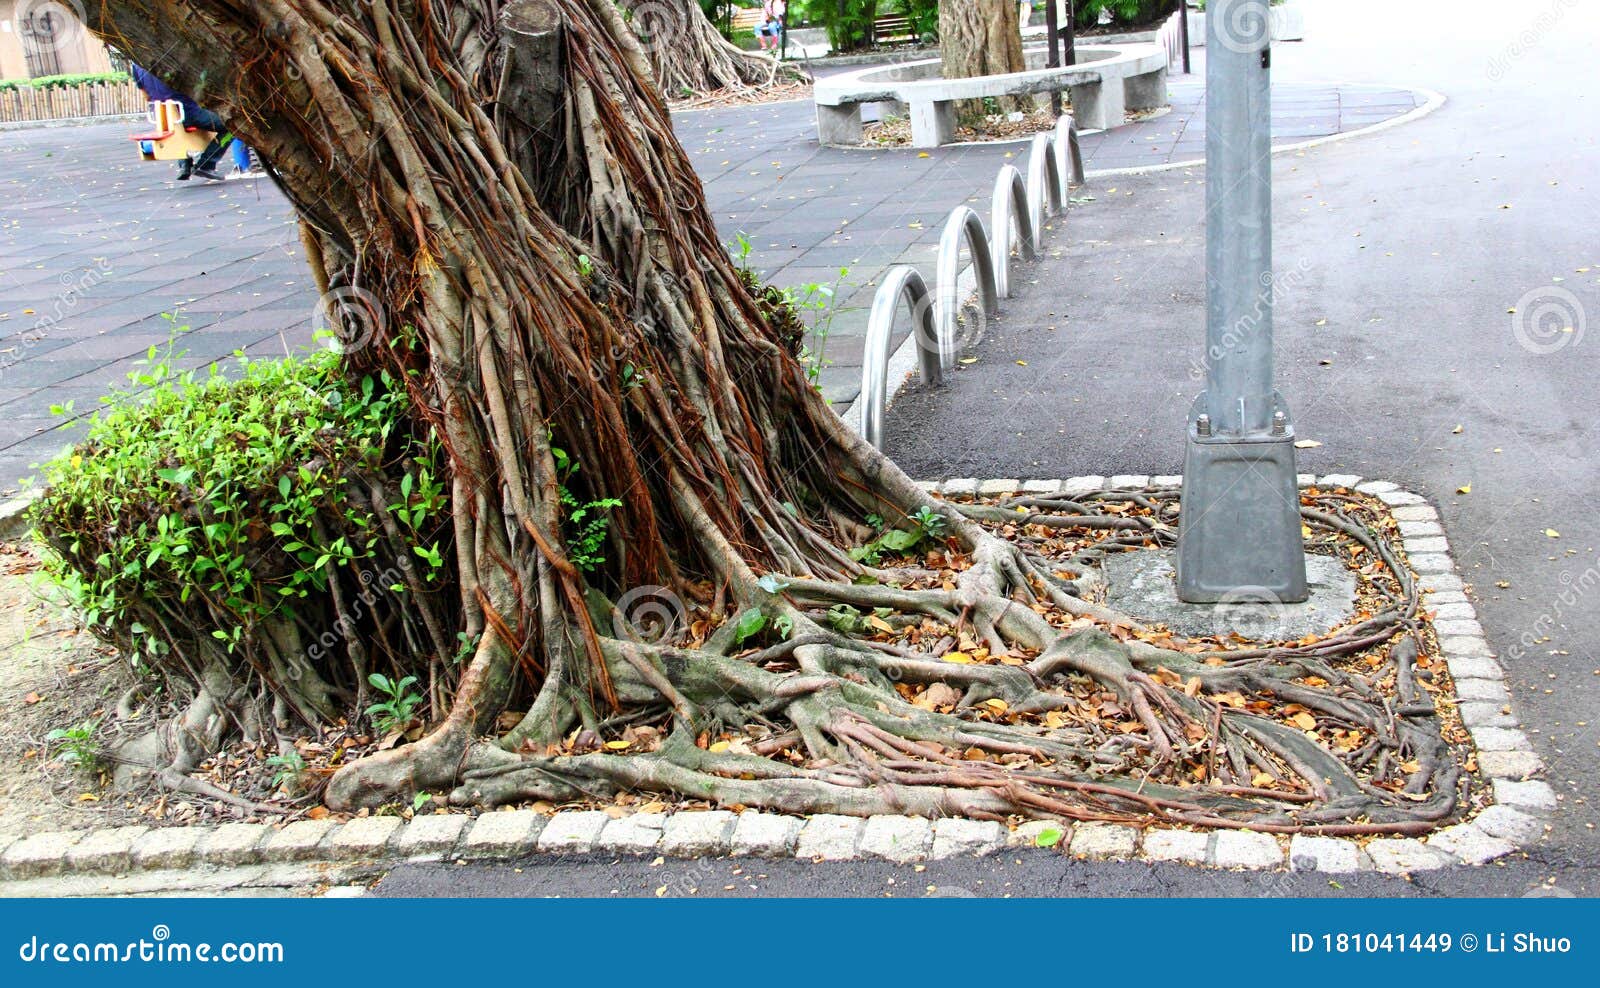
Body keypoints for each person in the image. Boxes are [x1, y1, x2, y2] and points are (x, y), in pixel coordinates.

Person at [130, 64, 234, 182]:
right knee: (232, 125)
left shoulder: (136, 65)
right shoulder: (170, 59)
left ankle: (184, 165)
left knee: (178, 128)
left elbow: (146, 96)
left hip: (162, 115)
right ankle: (206, 164)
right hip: (188, 112)